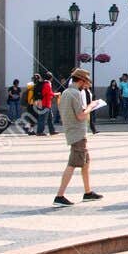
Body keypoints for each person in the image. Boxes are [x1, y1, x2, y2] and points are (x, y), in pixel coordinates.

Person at [53, 68, 103, 206]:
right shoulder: (75, 93)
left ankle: (88, 192)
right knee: (73, 164)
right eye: (86, 82)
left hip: (73, 131)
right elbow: (81, 115)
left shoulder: (66, 92)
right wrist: (91, 106)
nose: (87, 85)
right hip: (77, 134)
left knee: (85, 163)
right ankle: (59, 196)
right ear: (81, 81)